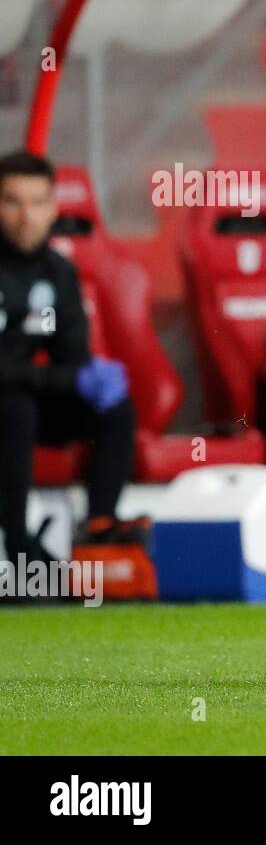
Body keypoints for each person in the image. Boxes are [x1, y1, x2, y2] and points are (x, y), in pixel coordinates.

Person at [0, 150, 144, 563]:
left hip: (24, 400)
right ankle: (16, 544)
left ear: (53, 209)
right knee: (16, 408)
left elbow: (71, 357)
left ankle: (100, 528)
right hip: (9, 410)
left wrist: (87, 377)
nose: (26, 216)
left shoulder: (58, 271)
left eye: (38, 202)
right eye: (12, 202)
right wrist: (64, 379)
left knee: (114, 408)